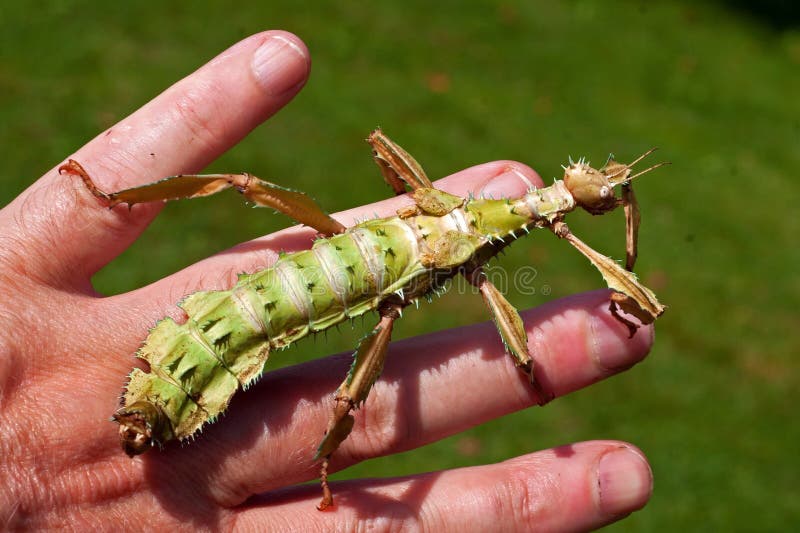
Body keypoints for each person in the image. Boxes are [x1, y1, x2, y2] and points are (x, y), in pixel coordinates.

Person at [0, 31, 654, 530]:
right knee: (349, 381)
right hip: (306, 298)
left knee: (249, 197)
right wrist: (525, 354)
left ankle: (319, 459)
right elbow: (565, 321)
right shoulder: (500, 236)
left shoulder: (455, 207)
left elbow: (384, 147)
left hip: (337, 266)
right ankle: (314, 458)